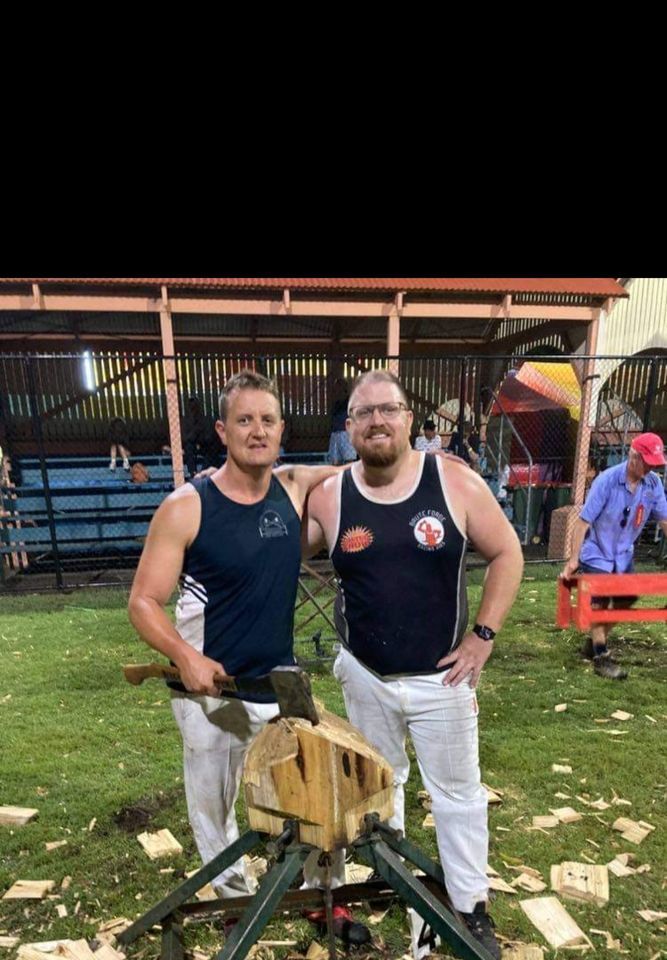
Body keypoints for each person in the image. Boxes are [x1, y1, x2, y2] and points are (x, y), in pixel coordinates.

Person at [128, 370, 366, 943]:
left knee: (316, 786)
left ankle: (316, 896)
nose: (256, 431)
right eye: (244, 420)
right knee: (216, 806)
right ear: (223, 429)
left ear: (282, 429)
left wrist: (435, 467)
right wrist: (184, 655)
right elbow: (142, 601)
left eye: (267, 420)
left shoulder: (294, 486)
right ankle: (237, 903)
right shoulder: (187, 507)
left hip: (279, 684)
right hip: (213, 693)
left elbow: (370, 472)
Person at [304, 370, 524, 959]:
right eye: (363, 413)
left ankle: (470, 906)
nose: (376, 421)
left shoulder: (453, 482)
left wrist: (482, 636)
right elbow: (273, 545)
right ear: (348, 428)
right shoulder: (329, 494)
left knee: (457, 795)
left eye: (388, 409)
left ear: (408, 418)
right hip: (365, 674)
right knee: (378, 786)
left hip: (443, 677)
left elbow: (507, 552)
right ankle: (395, 882)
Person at [561, 432, 667, 680]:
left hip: (622, 554)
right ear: (633, 457)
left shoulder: (653, 484)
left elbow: (664, 520)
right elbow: (582, 523)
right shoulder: (606, 481)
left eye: (655, 463)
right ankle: (601, 656)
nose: (652, 467)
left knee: (626, 599)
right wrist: (574, 559)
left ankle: (593, 642)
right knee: (599, 602)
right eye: (648, 461)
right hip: (597, 552)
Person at [328, 378, 357, 465]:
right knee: (335, 461)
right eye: (335, 388)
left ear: (344, 389)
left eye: (339, 387)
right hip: (335, 433)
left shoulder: (349, 402)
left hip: (346, 433)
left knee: (349, 460)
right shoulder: (336, 403)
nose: (336, 390)